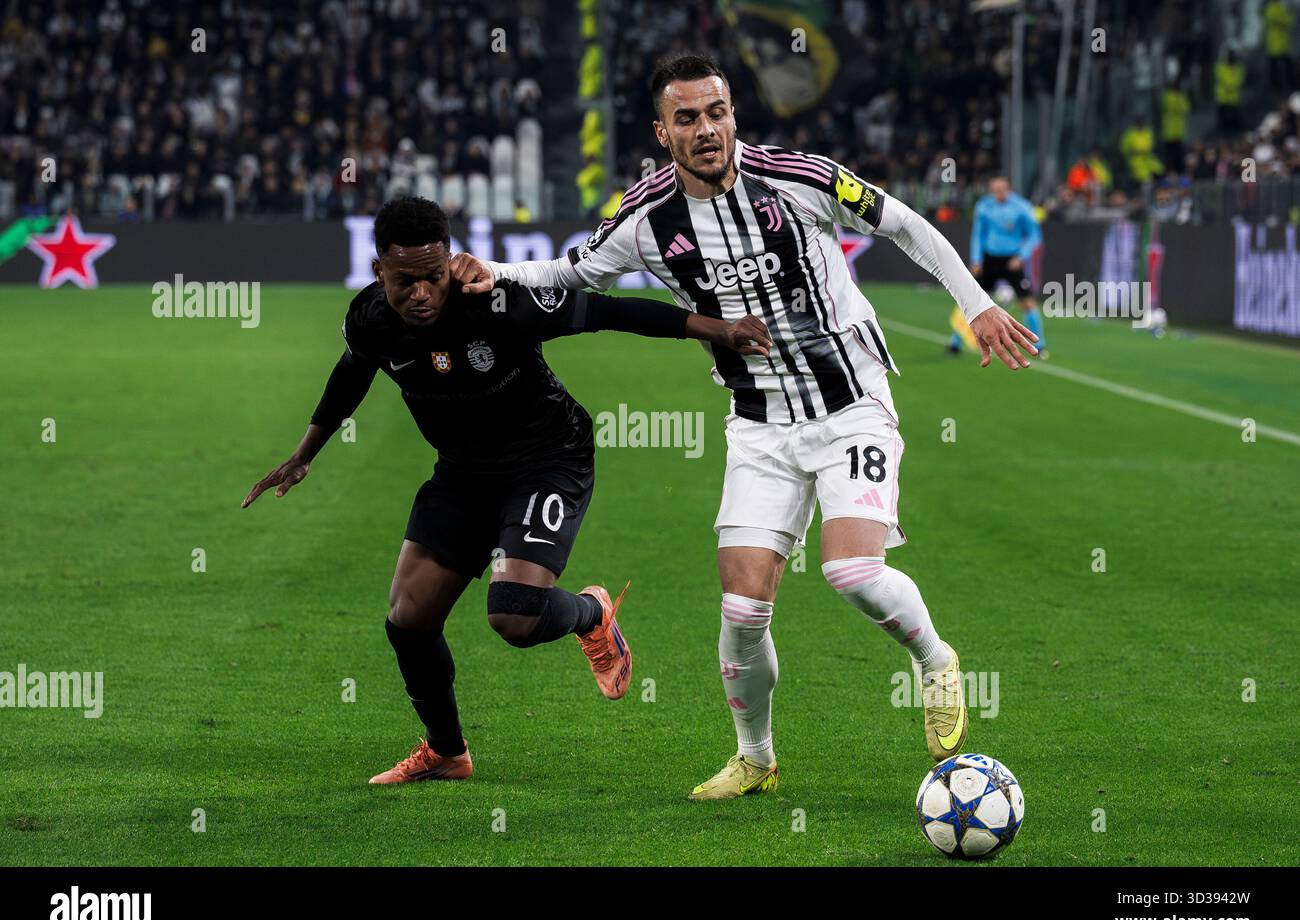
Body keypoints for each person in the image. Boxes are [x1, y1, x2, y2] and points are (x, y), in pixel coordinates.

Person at [449, 54, 1038, 800]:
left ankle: (934, 658)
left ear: (733, 114)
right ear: (662, 132)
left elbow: (906, 226)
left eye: (717, 112)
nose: (707, 129)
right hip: (759, 425)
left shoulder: (801, 178)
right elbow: (569, 273)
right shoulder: (646, 219)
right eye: (687, 118)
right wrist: (492, 272)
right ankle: (756, 758)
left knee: (851, 571)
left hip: (850, 400)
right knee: (742, 608)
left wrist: (977, 303)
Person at [242, 195, 772, 785]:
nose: (420, 293)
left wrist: (718, 330)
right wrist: (303, 455)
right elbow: (354, 370)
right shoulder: (369, 318)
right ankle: (447, 752)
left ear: (451, 263)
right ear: (377, 274)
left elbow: (608, 312)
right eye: (403, 282)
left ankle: (592, 612)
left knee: (514, 618)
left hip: (547, 459)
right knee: (408, 620)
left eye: (432, 278)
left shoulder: (497, 305)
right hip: (463, 472)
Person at [951, 176, 1046, 359]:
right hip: (989, 259)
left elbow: (1035, 236)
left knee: (1027, 302)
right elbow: (978, 234)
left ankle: (1039, 344)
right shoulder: (984, 206)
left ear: (1008, 188)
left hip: (1012, 259)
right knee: (969, 301)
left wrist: (1021, 257)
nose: (998, 193)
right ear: (990, 190)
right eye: (995, 190)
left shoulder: (1022, 207)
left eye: (1002, 189)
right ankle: (955, 342)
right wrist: (976, 260)